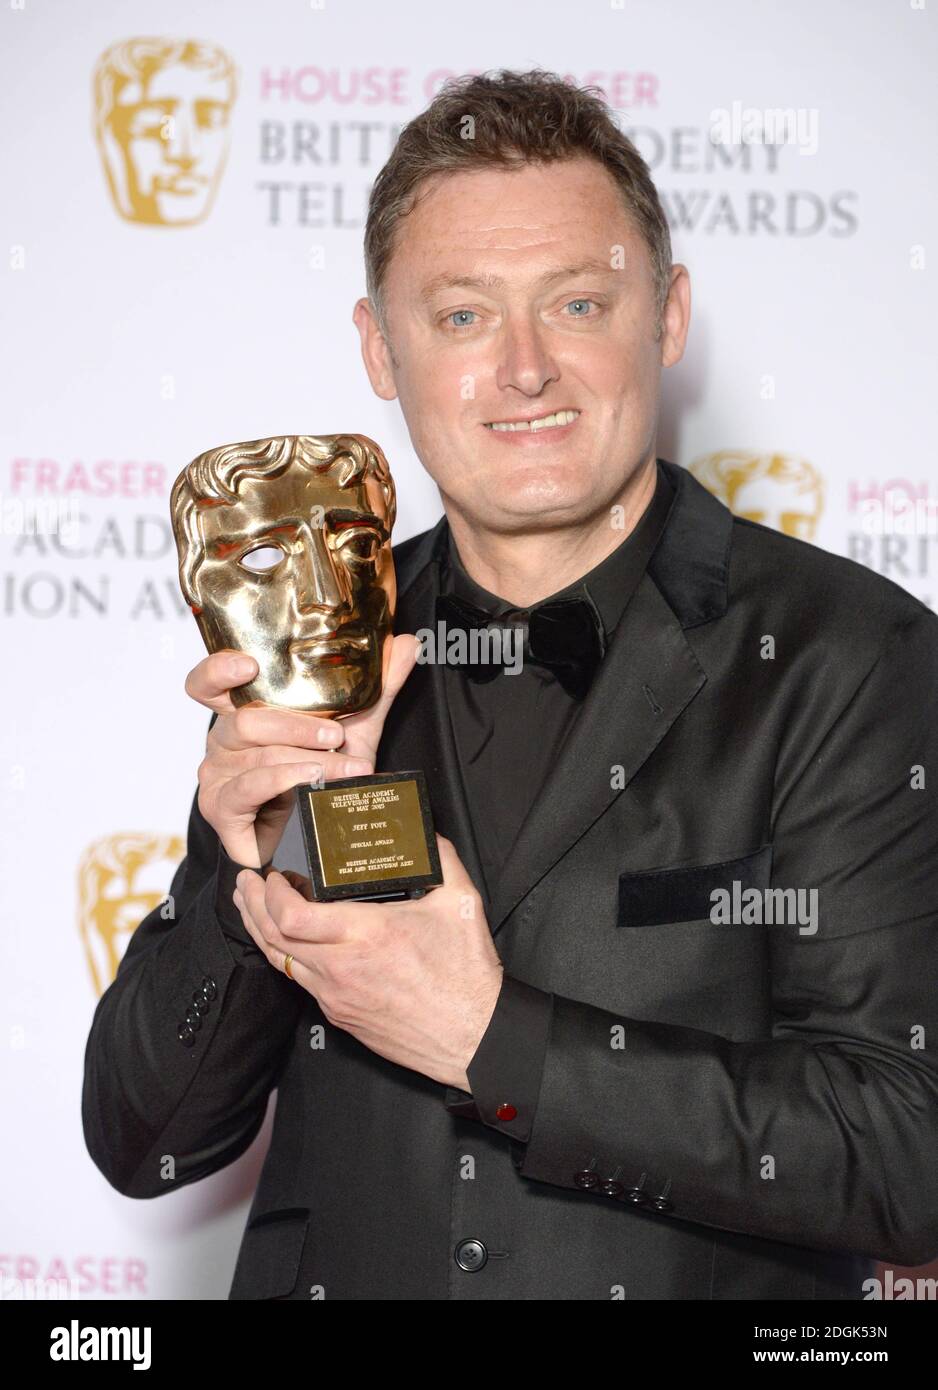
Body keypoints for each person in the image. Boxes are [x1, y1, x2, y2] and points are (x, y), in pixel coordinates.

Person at [82, 69, 938, 1300]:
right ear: (381, 348)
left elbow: (905, 1147)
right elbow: (145, 1140)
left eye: (578, 303)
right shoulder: (311, 650)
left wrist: (492, 1039)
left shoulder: (853, 658)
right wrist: (233, 873)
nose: (525, 369)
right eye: (463, 316)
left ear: (668, 317)